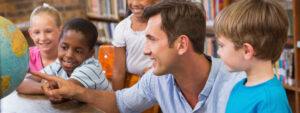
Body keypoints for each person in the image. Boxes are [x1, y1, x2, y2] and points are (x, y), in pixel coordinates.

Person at [31, 1, 244, 113]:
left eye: (151, 39)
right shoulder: (158, 78)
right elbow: (119, 103)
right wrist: (76, 91)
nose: (145, 50)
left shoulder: (239, 86)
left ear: (181, 44)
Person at [214, 0, 292, 112]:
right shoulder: (238, 87)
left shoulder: (271, 100)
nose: (218, 52)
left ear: (246, 51)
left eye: (221, 45)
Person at [112, 0, 161, 90]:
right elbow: (118, 71)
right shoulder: (122, 28)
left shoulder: (166, 24)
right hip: (131, 85)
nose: (134, 4)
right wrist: (116, 99)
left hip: (160, 82)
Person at [17, 3, 62, 94]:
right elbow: (18, 83)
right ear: (31, 34)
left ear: (60, 31)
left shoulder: (68, 57)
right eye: (37, 32)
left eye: (48, 31)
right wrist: (47, 90)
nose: (43, 38)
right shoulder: (26, 56)